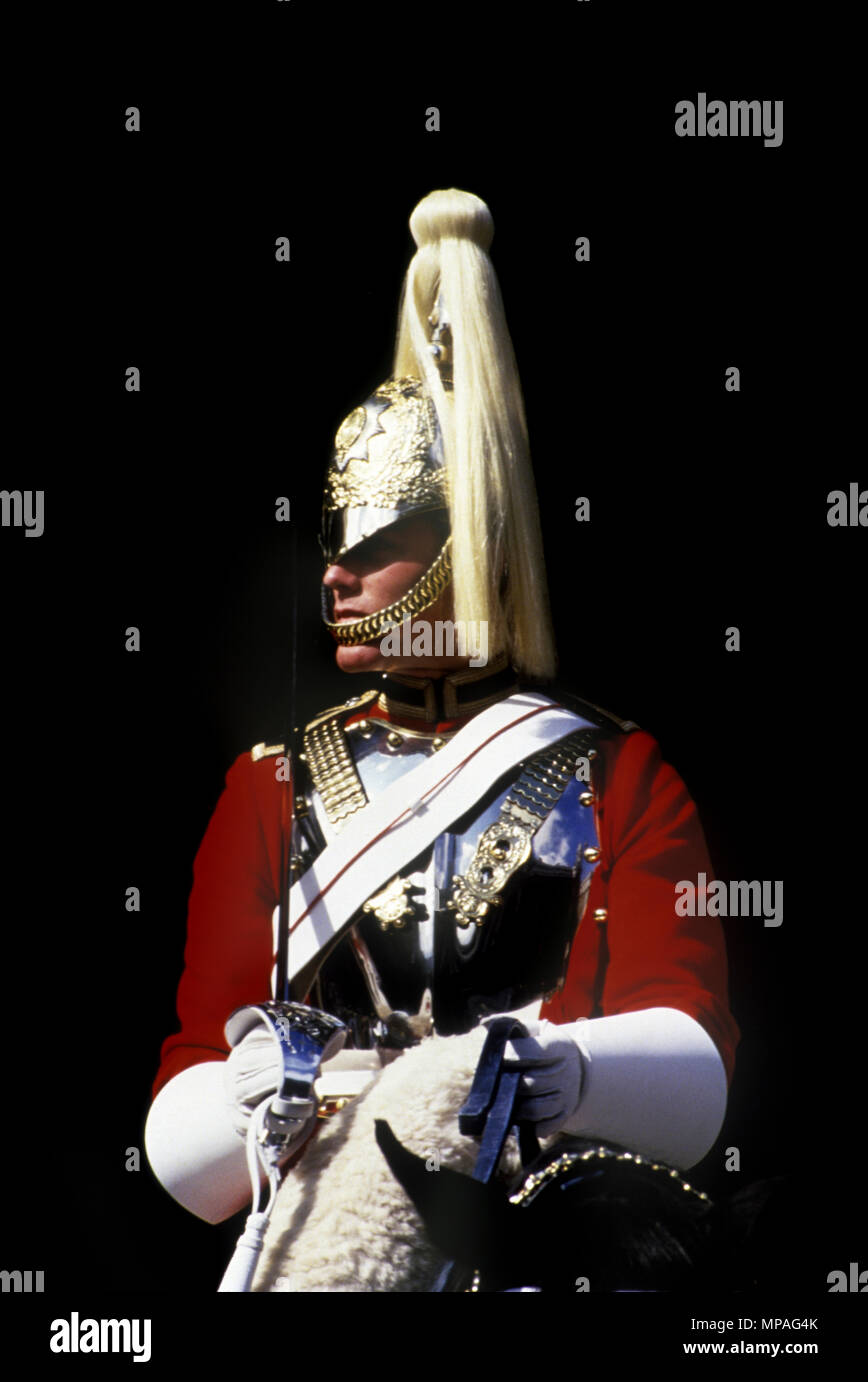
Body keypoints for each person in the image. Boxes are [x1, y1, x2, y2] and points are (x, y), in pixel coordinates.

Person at [145, 188, 739, 1241]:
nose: (336, 575)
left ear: (466, 547)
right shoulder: (271, 783)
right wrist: (243, 1098)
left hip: (539, 1229)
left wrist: (578, 1071)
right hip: (331, 1226)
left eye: (376, 544)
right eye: (334, 542)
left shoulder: (617, 772)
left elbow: (696, 1068)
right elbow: (189, 1117)